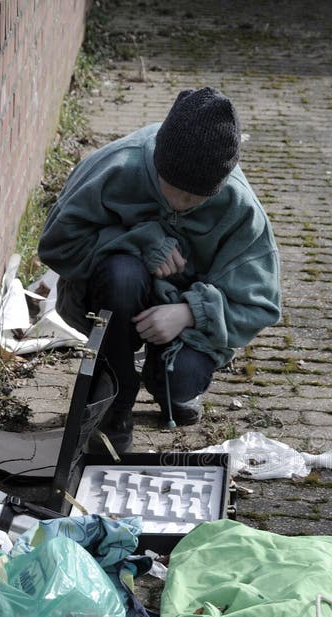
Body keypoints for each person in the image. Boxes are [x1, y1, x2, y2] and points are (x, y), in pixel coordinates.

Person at [38, 87, 281, 452]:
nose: (180, 204)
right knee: (123, 274)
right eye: (172, 189)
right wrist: (137, 239)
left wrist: (189, 312)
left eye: (196, 199)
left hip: (181, 321)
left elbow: (261, 305)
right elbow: (56, 245)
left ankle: (169, 385)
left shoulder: (242, 210)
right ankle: (114, 407)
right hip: (113, 295)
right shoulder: (117, 165)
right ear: (158, 163)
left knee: (178, 380)